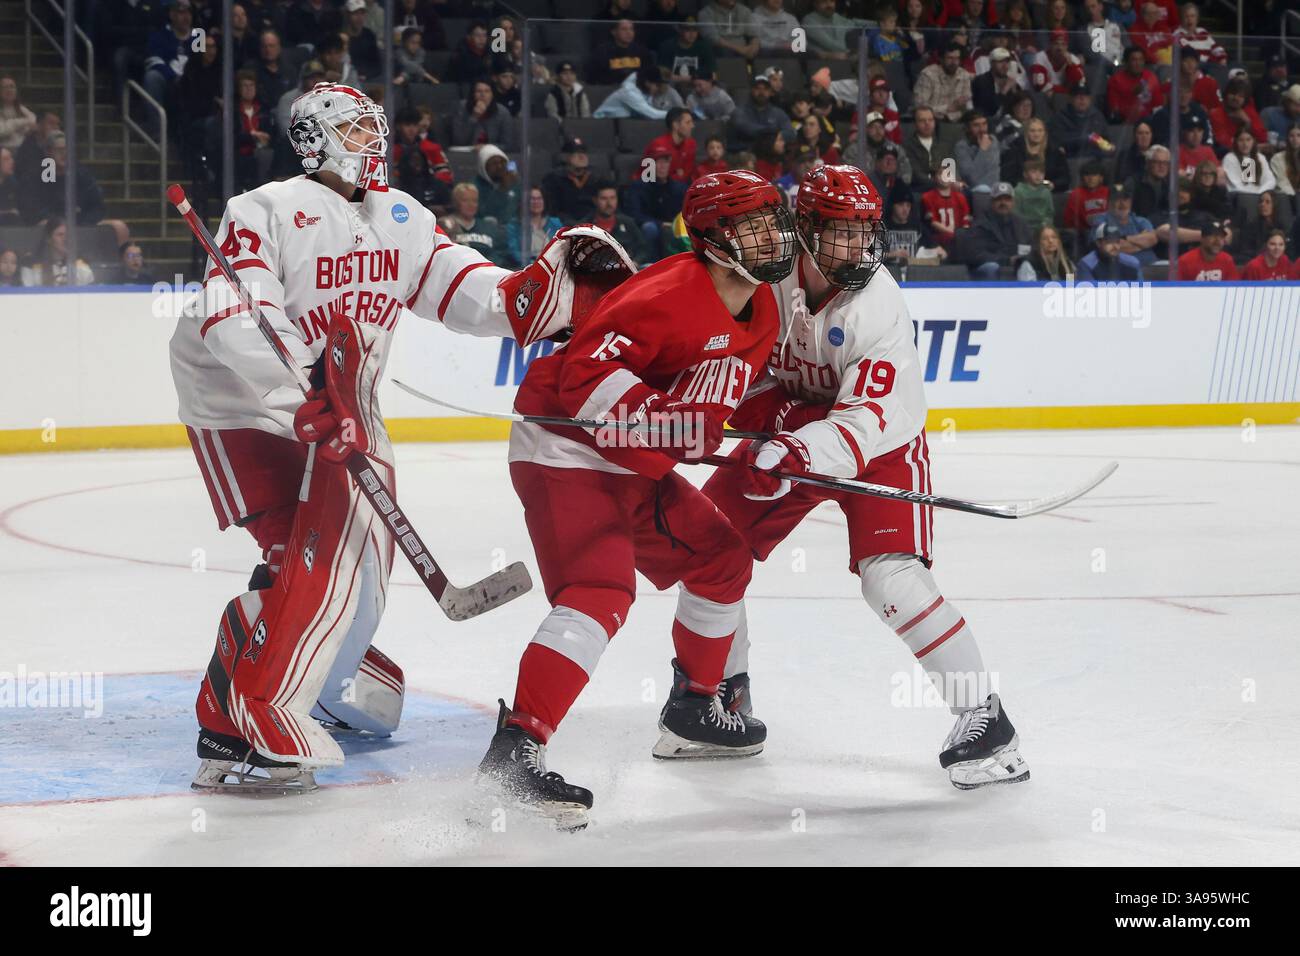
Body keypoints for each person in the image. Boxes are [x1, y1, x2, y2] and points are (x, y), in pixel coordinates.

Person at [172, 82, 628, 794]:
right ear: (313, 140)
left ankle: (325, 673)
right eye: (355, 130)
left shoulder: (401, 215)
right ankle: (235, 712)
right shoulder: (263, 208)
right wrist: (296, 389)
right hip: (242, 398)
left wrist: (538, 297)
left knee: (364, 581)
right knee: (302, 549)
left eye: (374, 129)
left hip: (345, 396)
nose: (372, 142)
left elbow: (461, 287)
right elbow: (233, 310)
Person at [477, 171, 797, 827]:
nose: (772, 236)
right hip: (565, 447)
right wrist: (665, 421)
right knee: (599, 592)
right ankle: (516, 752)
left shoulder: (764, 306)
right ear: (713, 240)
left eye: (774, 221)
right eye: (753, 224)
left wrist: (782, 441)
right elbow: (581, 382)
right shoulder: (667, 294)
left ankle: (695, 710)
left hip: (632, 460)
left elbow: (725, 396)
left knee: (722, 559)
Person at [698, 163, 1029, 791]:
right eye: (842, 233)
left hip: (879, 438)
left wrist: (794, 452)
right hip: (796, 420)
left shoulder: (879, 305)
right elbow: (737, 360)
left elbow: (860, 423)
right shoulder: (768, 281)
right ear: (805, 230)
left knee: (892, 579)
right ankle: (720, 698)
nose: (859, 247)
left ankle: (988, 723)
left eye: (864, 232)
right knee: (711, 542)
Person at [968, 181, 1032, 279]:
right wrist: (1007, 260)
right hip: (988, 268)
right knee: (992, 267)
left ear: (1013, 202)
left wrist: (1021, 259)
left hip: (1016, 265)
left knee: (1026, 265)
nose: (1003, 203)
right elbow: (978, 255)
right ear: (991, 202)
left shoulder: (1021, 223)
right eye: (999, 199)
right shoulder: (981, 224)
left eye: (1007, 199)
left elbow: (1029, 247)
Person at [20, 216, 94, 286]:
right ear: (48, 239)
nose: (65, 239)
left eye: (68, 235)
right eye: (60, 235)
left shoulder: (81, 264)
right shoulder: (31, 265)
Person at [913, 42, 973, 123]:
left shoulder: (964, 75)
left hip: (958, 122)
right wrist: (949, 108)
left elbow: (966, 108)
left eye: (957, 58)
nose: (954, 62)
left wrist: (948, 114)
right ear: (941, 59)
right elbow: (920, 107)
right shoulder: (928, 75)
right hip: (931, 122)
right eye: (950, 58)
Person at [590, 182, 647, 264]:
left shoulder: (628, 223)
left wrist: (636, 262)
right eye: (604, 198)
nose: (609, 203)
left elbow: (643, 249)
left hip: (628, 270)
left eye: (612, 198)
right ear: (595, 200)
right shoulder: (587, 227)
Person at [1103, 182, 1159, 266]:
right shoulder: (1101, 221)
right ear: (1109, 202)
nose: (1122, 203)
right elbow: (1110, 247)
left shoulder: (1142, 221)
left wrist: (1124, 238)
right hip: (1119, 271)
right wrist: (1142, 244)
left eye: (1125, 199)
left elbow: (1152, 239)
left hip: (1151, 267)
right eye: (1117, 199)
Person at [1106, 47, 1165, 124]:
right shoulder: (1115, 80)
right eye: (1134, 60)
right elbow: (1114, 109)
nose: (1138, 63)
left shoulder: (1151, 77)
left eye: (1141, 60)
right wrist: (1132, 94)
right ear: (1126, 62)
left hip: (1151, 121)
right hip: (1126, 122)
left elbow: (1158, 104)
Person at [506, 188, 564, 265]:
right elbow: (514, 253)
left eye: (539, 198)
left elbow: (563, 248)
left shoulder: (555, 223)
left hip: (553, 266)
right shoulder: (514, 226)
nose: (536, 202)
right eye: (532, 199)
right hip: (527, 268)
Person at [644, 108, 698, 184]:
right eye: (688, 122)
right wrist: (677, 174)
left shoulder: (691, 144)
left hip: (678, 188)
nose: (692, 126)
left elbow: (686, 174)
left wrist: (672, 174)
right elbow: (654, 176)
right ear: (675, 125)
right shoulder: (658, 144)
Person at [1076, 222, 1143, 280]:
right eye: (1109, 242)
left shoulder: (1132, 263)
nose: (1115, 246)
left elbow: (1141, 292)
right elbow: (1087, 293)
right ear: (1098, 243)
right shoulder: (1087, 264)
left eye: (1117, 242)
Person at [1223, 128, 1277, 196]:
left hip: (1259, 195)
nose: (1245, 144)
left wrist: (1260, 193)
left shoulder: (1260, 157)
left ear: (1253, 141)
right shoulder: (1230, 158)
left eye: (1248, 140)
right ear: (1236, 142)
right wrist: (1254, 195)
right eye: (1241, 140)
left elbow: (1270, 180)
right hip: (1239, 197)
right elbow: (1236, 185)